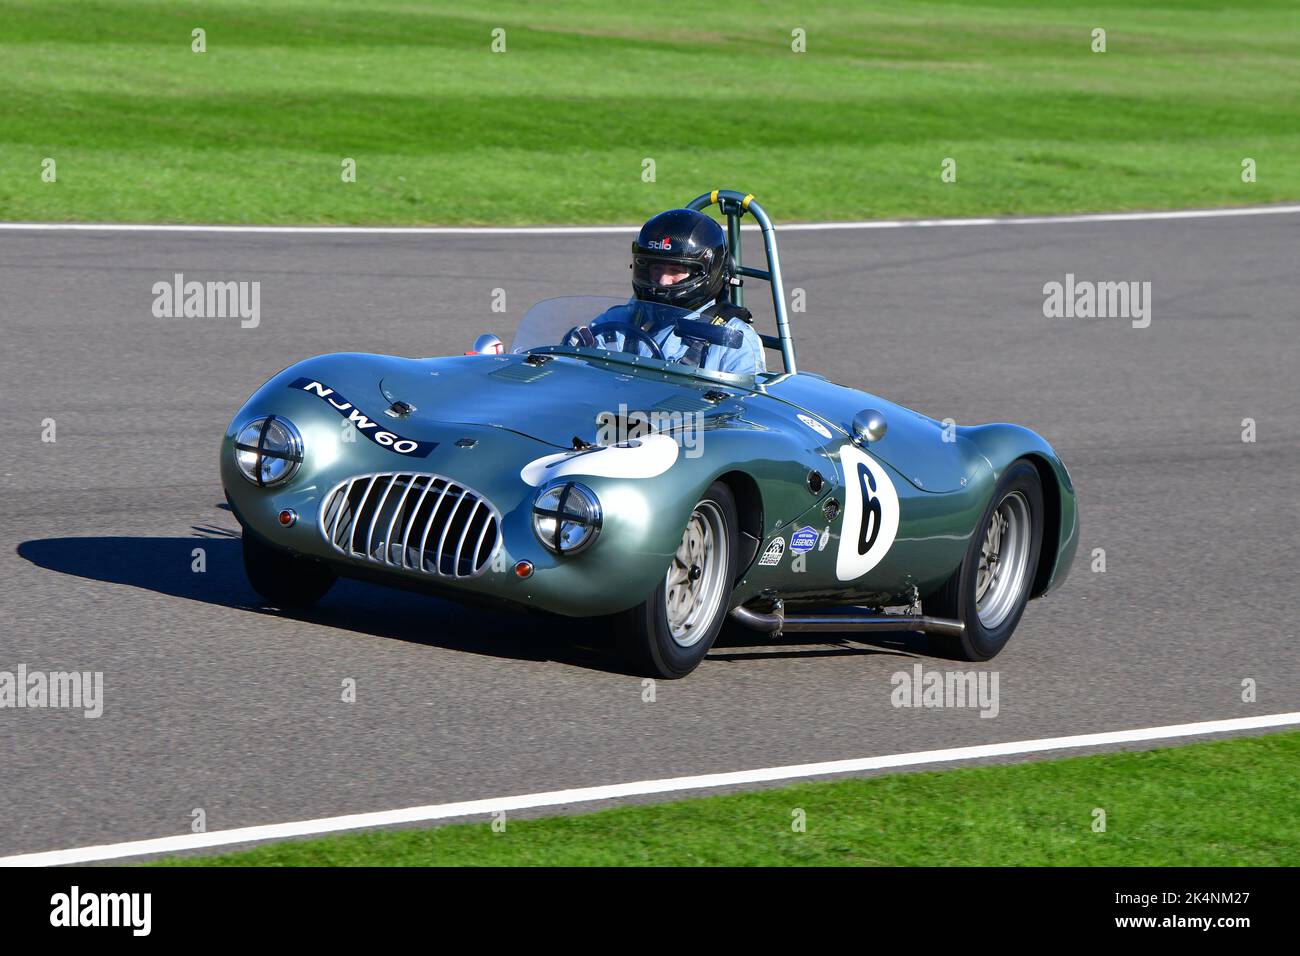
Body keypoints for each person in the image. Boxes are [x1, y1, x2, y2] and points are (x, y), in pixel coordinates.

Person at [575, 209, 766, 375]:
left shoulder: (733, 340)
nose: (662, 281)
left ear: (708, 272)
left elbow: (740, 409)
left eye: (675, 271)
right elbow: (575, 382)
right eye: (656, 268)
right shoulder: (614, 324)